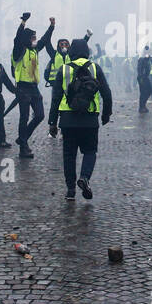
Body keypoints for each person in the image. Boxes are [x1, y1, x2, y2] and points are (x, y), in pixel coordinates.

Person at [48, 38, 112, 201]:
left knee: (69, 155)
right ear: (87, 52)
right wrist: (106, 115)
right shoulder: (95, 68)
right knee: (90, 151)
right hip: (90, 118)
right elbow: (107, 93)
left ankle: (70, 190)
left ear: (71, 52)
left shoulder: (63, 70)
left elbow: (55, 98)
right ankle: (84, 177)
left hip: (68, 120)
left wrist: (52, 123)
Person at [12, 14, 55, 158]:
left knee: (40, 115)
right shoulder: (19, 50)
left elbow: (44, 40)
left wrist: (52, 26)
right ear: (26, 38)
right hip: (22, 88)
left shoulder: (34, 50)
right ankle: (23, 148)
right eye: (32, 38)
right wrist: (23, 22)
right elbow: (17, 38)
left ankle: (22, 138)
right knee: (24, 117)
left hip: (34, 88)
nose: (35, 40)